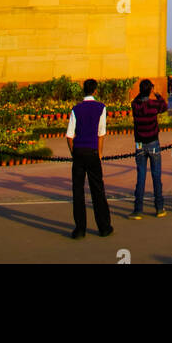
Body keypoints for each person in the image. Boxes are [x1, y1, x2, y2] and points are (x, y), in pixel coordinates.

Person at [65, 78, 113, 239]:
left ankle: (80, 230)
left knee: (78, 192)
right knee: (98, 190)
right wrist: (99, 153)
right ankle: (104, 227)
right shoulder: (101, 107)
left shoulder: (76, 109)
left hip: (79, 152)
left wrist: (74, 152)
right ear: (95, 91)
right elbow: (101, 133)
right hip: (93, 152)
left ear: (83, 91)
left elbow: (69, 135)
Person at [131, 78, 168, 218]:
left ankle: (138, 210)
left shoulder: (135, 105)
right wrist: (157, 94)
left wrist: (142, 93)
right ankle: (159, 208)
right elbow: (164, 106)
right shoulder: (153, 105)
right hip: (153, 142)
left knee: (141, 176)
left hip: (140, 143)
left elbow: (135, 101)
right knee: (156, 176)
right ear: (150, 90)